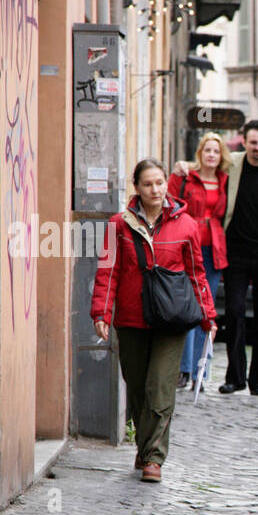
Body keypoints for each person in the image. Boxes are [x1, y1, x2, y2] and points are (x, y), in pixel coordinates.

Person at [91, 158, 216, 483]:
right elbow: (108, 271)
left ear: (166, 184)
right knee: (137, 390)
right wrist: (102, 313)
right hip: (131, 319)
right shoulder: (119, 224)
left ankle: (154, 459)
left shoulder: (186, 225)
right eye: (148, 184)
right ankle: (145, 446)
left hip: (171, 320)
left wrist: (208, 316)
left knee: (160, 387)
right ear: (137, 188)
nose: (155, 189)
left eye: (160, 182)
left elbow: (196, 274)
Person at [175, 118, 258, 397]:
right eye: (253, 142)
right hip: (235, 253)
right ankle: (235, 377)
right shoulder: (232, 164)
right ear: (244, 141)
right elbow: (205, 167)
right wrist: (182, 166)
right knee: (233, 314)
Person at [168, 132, 230, 391]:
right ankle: (183, 370)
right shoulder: (186, 178)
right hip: (187, 248)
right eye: (207, 150)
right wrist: (175, 170)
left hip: (213, 250)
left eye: (216, 151)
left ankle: (200, 372)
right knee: (186, 310)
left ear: (221, 155)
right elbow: (168, 202)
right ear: (200, 154)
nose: (212, 155)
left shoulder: (226, 180)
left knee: (206, 311)